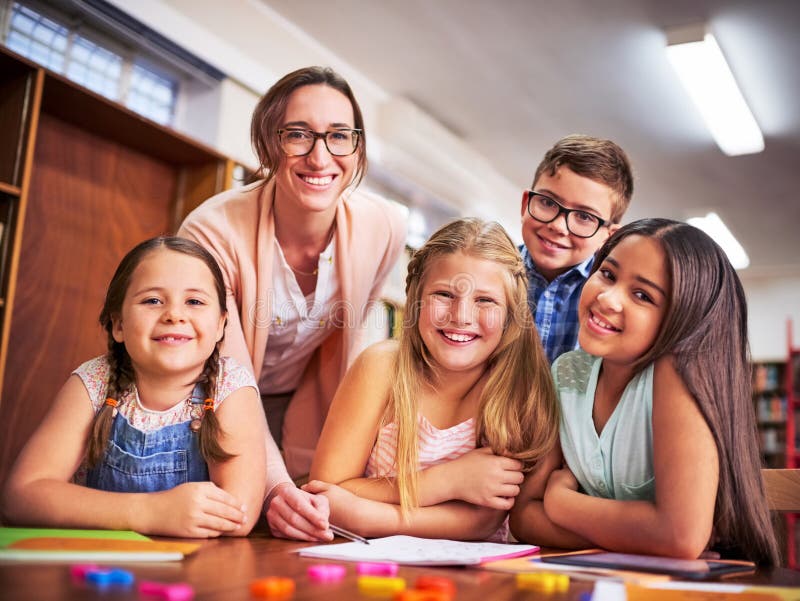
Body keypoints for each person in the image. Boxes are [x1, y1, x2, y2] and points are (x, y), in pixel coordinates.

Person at [178, 66, 407, 541]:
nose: (320, 156)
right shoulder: (211, 234)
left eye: (339, 136)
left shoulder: (385, 226)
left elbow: (354, 334)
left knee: (298, 533)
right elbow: (229, 378)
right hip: (205, 403)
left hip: (301, 403)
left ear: (356, 147)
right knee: (221, 529)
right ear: (267, 144)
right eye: (298, 134)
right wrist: (277, 486)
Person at [509, 218, 779, 564]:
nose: (607, 298)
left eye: (642, 295)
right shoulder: (567, 372)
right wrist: (639, 537)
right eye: (607, 274)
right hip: (609, 579)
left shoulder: (675, 373)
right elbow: (525, 517)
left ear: (682, 319)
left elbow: (680, 537)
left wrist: (563, 503)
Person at [304, 218, 558, 540]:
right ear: (417, 297)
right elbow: (326, 493)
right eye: (444, 294)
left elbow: (480, 522)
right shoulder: (382, 368)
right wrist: (445, 481)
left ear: (511, 314)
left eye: (485, 300)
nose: (461, 316)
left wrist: (367, 515)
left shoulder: (518, 393)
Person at [1, 237, 267, 537]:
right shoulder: (94, 381)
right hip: (93, 570)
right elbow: (21, 496)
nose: (174, 315)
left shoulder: (229, 387)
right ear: (118, 324)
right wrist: (151, 511)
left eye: (194, 301)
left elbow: (238, 515)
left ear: (220, 325)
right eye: (152, 300)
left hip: (192, 574)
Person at [520, 134, 634, 363]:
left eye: (584, 216)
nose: (558, 226)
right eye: (548, 202)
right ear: (526, 203)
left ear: (609, 237)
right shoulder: (490, 272)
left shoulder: (610, 304)